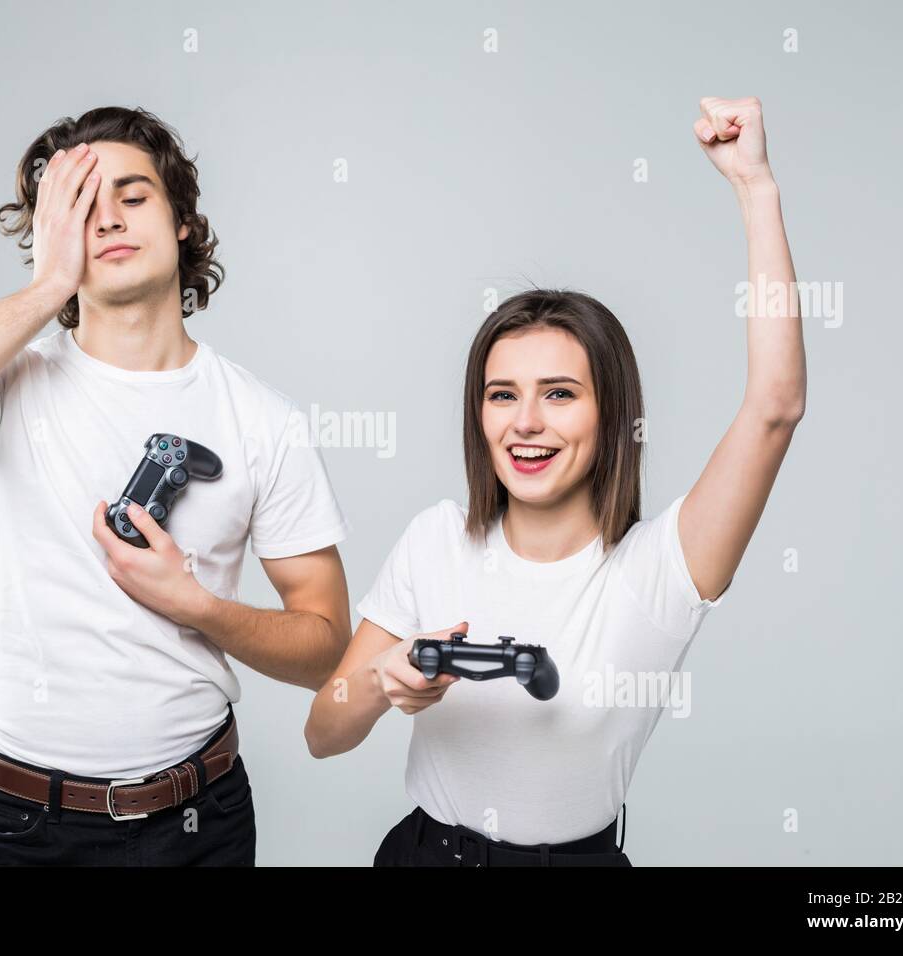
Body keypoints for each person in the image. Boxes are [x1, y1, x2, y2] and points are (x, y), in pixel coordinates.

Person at [304, 96, 805, 867]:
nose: (525, 422)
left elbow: (775, 408)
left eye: (560, 394)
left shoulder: (660, 570)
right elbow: (323, 733)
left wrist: (755, 187)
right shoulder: (435, 538)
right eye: (502, 394)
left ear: (612, 416)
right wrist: (381, 679)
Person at [0, 106, 352, 866]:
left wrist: (199, 607)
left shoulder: (263, 420)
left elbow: (325, 648)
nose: (109, 220)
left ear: (182, 220)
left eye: (133, 194)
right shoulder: (1, 389)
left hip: (200, 820)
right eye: (80, 207)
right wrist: (51, 280)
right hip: (24, 825)